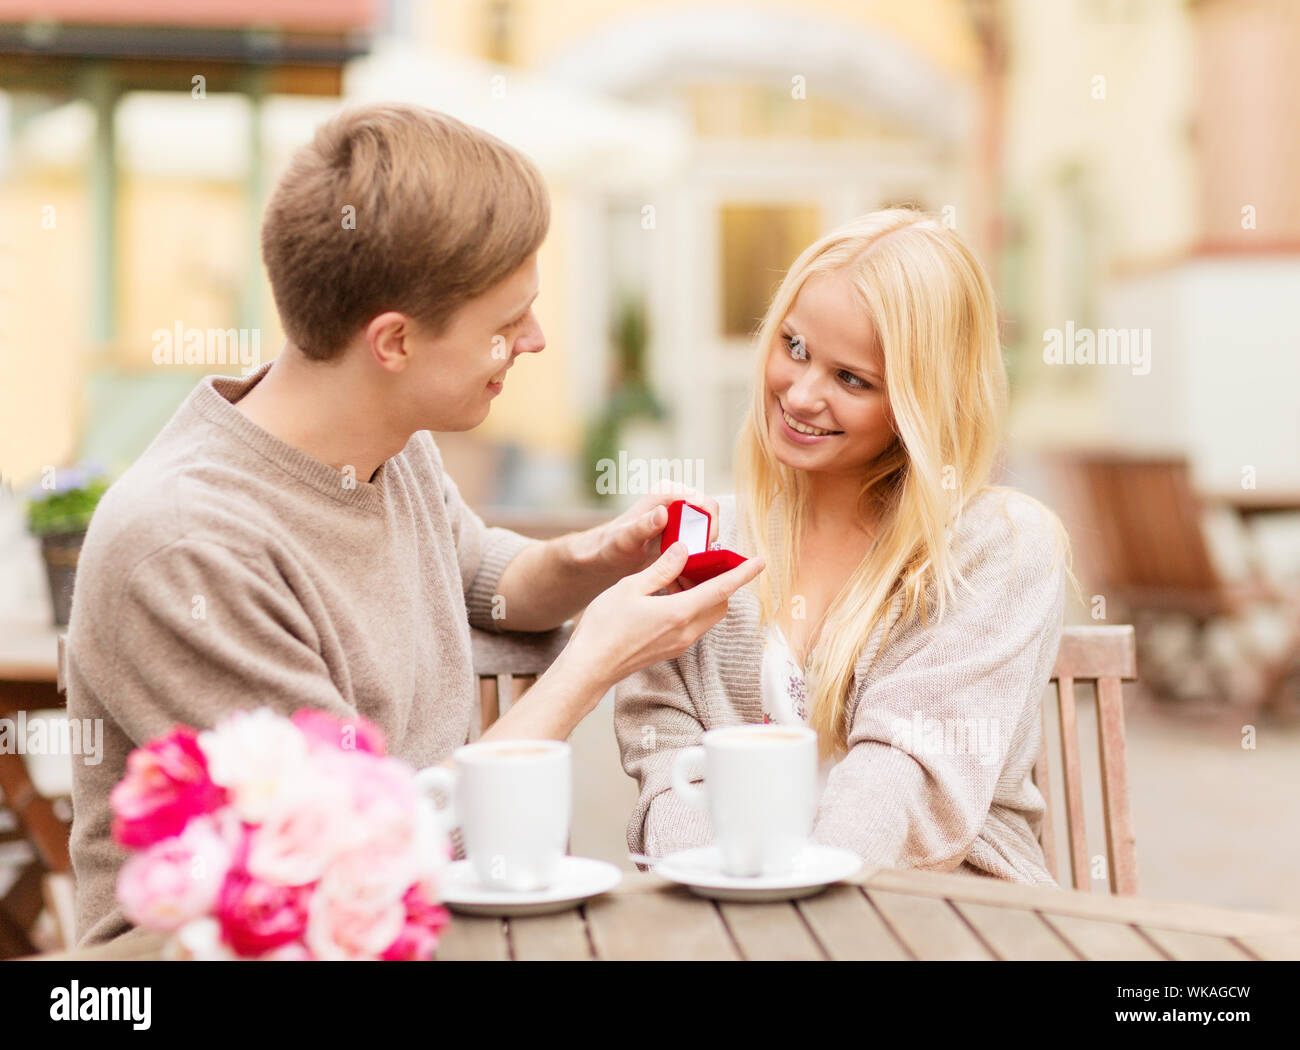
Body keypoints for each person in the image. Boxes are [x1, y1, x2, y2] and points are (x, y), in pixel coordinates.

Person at [66, 103, 764, 947]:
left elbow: (484, 583)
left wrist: (591, 560)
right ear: (393, 342)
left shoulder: (389, 446)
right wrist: (594, 662)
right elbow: (357, 853)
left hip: (446, 921)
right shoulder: (185, 547)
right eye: (507, 327)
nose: (536, 341)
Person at [615, 209, 1072, 884]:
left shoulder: (996, 547)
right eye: (794, 347)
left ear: (921, 400)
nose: (800, 395)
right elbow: (666, 748)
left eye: (851, 379)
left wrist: (799, 910)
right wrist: (709, 894)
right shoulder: (706, 536)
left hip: (938, 915)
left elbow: (907, 773)